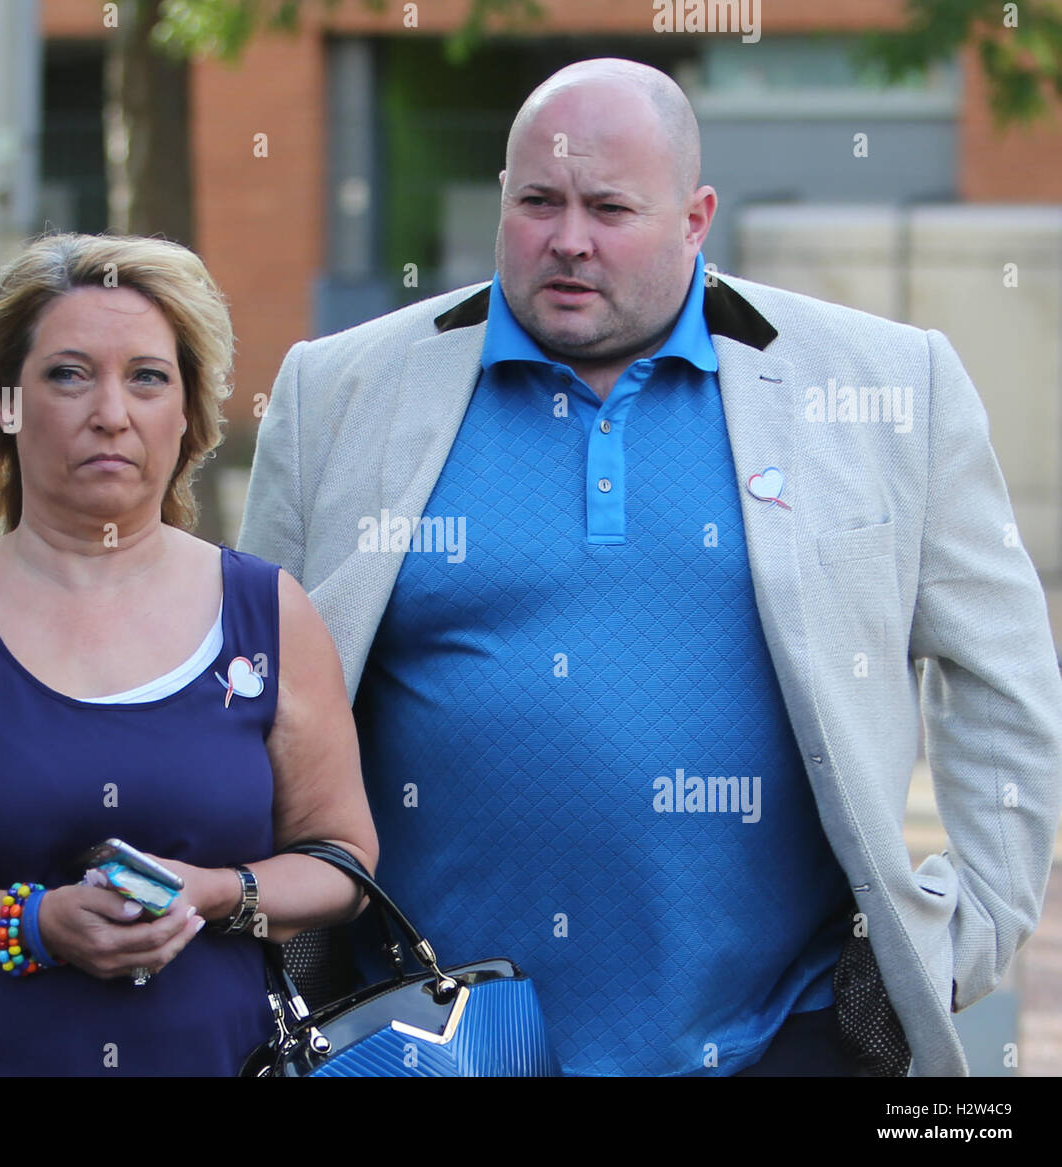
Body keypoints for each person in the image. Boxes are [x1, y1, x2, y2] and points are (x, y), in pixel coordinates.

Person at [237, 59, 1062, 1077]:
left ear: (694, 215)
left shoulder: (885, 387)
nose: (567, 238)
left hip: (782, 1038)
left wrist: (959, 933)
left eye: (609, 207)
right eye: (537, 201)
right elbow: (252, 701)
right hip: (427, 1045)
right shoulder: (339, 392)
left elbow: (1003, 679)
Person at [0, 233, 378, 1076]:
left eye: (147, 376)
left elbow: (341, 860)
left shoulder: (268, 614)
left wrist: (216, 892)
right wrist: (29, 923)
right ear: (6, 403)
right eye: (69, 374)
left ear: (186, 415)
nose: (112, 410)